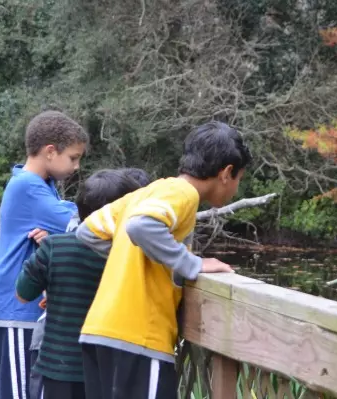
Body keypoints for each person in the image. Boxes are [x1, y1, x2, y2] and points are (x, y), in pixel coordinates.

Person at [76, 121, 252, 399]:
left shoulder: (146, 193)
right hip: (138, 337)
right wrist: (192, 264)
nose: (236, 188)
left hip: (99, 332)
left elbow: (86, 232)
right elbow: (141, 227)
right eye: (239, 178)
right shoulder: (183, 194)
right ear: (226, 173)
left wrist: (130, 255)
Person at [0, 110, 89, 399]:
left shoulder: (39, 185)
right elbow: (87, 221)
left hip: (11, 299)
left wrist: (54, 237)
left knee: (7, 387)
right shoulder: (29, 186)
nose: (76, 166)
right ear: (50, 152)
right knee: (20, 391)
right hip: (14, 302)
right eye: (74, 158)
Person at [15, 168, 151, 399]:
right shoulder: (130, 255)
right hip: (107, 368)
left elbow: (23, 293)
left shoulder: (54, 247)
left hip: (56, 367)